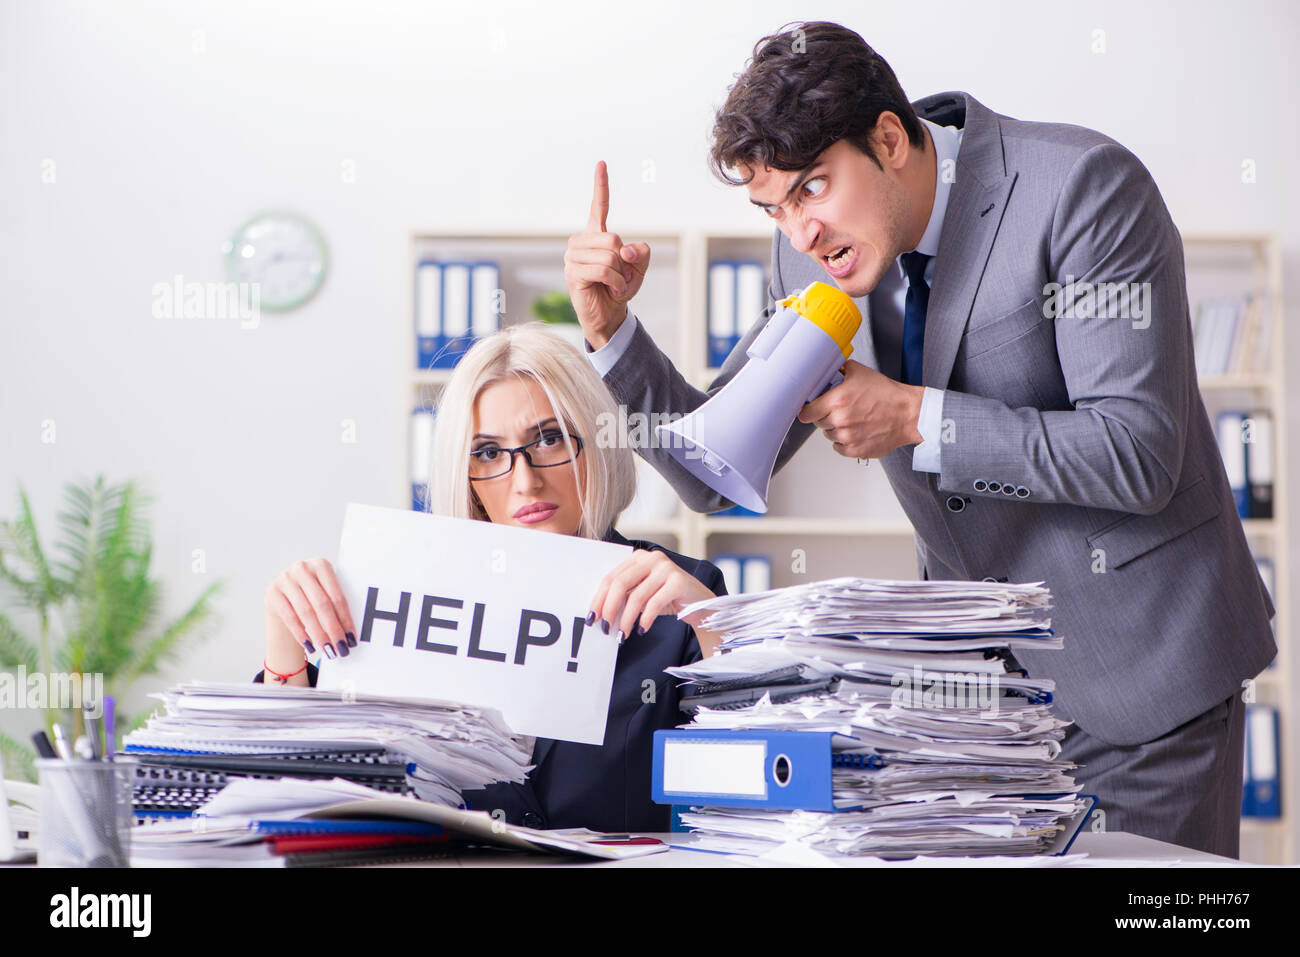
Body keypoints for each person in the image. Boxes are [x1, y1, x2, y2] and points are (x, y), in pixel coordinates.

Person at [563, 21, 1276, 857]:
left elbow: (1138, 451)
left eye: (814, 189)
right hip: (971, 706)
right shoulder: (810, 259)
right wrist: (611, 333)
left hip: (1144, 677)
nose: (800, 233)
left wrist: (913, 417)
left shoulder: (1082, 187)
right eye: (775, 207)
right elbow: (716, 474)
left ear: (891, 139)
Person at [255, 322, 728, 832]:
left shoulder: (681, 598)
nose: (525, 480)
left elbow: (750, 795)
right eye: (486, 453)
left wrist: (714, 630)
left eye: (548, 439)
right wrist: (285, 644)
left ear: (598, 443)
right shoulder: (401, 599)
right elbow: (287, 803)